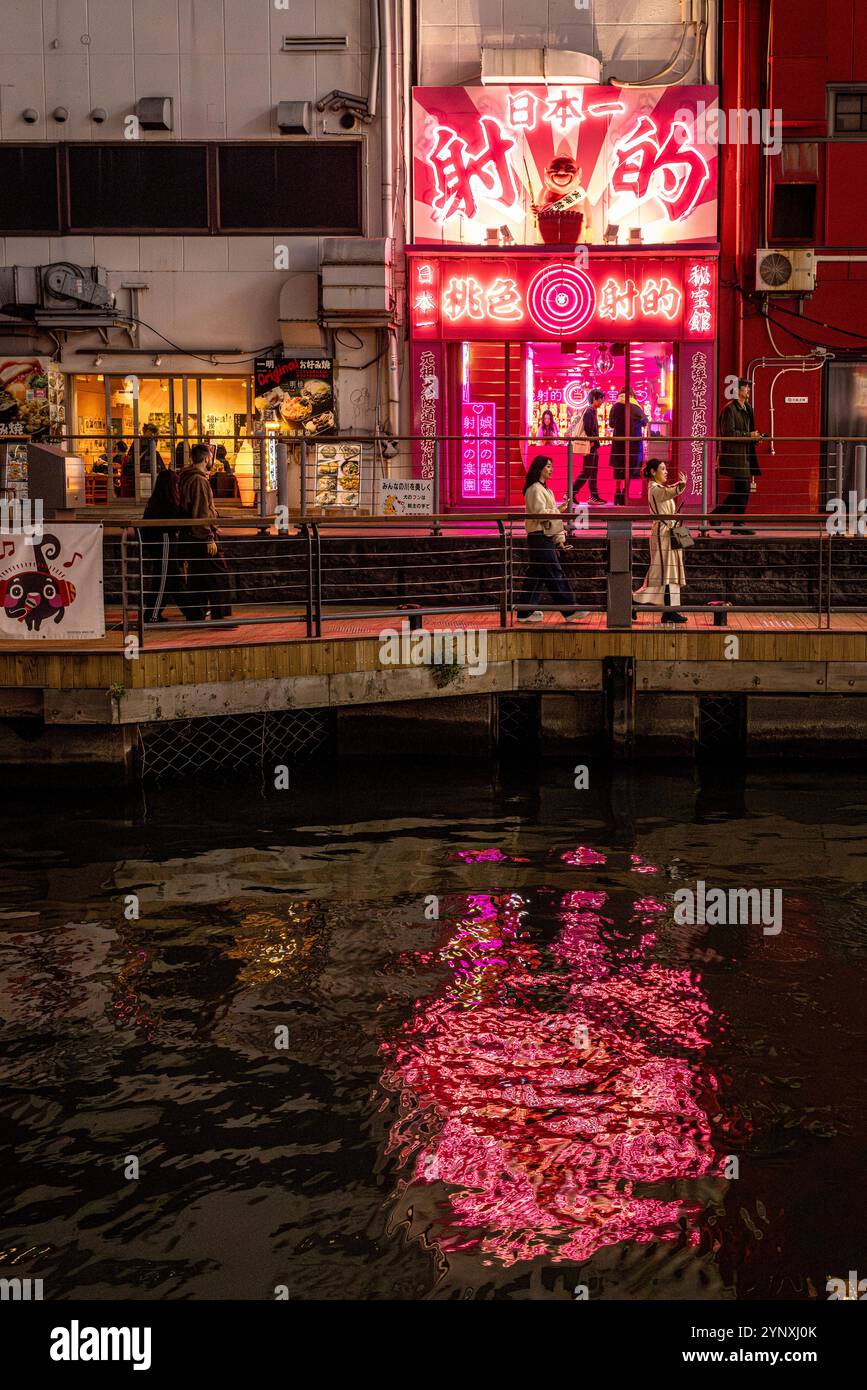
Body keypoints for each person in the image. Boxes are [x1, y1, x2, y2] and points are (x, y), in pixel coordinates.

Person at [516, 456, 588, 623]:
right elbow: (541, 514)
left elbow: (547, 514)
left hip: (541, 536)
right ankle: (570, 609)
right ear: (540, 468)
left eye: (551, 466)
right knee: (554, 572)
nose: (551, 469)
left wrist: (558, 527)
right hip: (540, 537)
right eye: (548, 466)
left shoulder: (544, 490)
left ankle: (524, 612)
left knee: (537, 576)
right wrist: (557, 511)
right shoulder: (535, 489)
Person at [178, 443, 232, 621]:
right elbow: (201, 510)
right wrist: (209, 535)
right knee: (218, 575)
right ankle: (219, 614)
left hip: (190, 535)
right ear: (207, 458)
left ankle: (196, 613)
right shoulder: (199, 481)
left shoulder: (186, 477)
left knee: (197, 576)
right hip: (201, 535)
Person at [634, 458, 687, 624]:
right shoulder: (654, 489)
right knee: (665, 572)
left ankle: (669, 610)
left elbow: (668, 493)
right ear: (652, 472)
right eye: (662, 469)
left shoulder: (659, 489)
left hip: (669, 532)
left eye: (665, 469)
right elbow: (669, 492)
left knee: (669, 572)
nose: (666, 472)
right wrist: (681, 485)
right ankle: (667, 611)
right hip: (664, 534)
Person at [139, 468, 194, 623]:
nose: (178, 488)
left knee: (173, 578)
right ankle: (152, 614)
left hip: (160, 540)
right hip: (163, 540)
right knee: (163, 578)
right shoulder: (166, 503)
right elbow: (178, 517)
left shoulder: (156, 500)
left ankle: (193, 612)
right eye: (176, 485)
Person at [711, 378, 761, 534]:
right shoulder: (729, 409)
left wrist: (755, 438)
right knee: (743, 488)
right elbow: (728, 433)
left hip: (745, 455)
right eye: (745, 388)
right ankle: (734, 523)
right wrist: (749, 435)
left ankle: (721, 518)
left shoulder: (747, 408)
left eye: (748, 388)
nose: (748, 391)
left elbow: (748, 431)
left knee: (742, 489)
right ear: (737, 391)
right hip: (735, 456)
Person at [608, 389, 647, 506]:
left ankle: (617, 493)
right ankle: (625, 493)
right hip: (632, 443)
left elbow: (611, 424)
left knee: (618, 467)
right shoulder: (635, 407)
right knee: (629, 467)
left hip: (618, 442)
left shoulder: (615, 407)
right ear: (632, 395)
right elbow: (645, 421)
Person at [570, 388, 606, 505]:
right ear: (594, 399)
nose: (602, 401)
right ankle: (570, 493)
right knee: (587, 471)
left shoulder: (591, 411)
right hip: (590, 445)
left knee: (592, 471)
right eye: (600, 399)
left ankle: (593, 496)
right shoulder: (589, 411)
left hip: (592, 445)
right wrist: (591, 440)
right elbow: (588, 427)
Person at [120, 424, 165, 497]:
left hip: (140, 470)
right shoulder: (143, 442)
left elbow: (131, 457)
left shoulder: (138, 441)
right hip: (143, 470)